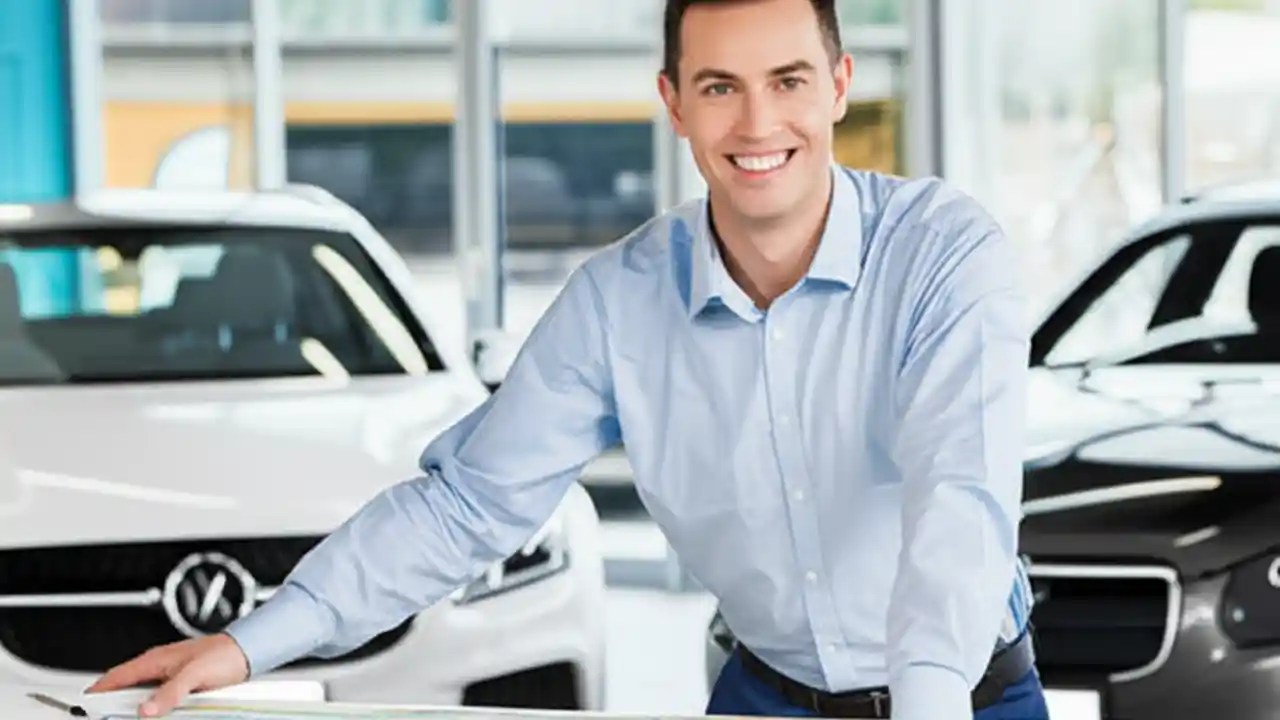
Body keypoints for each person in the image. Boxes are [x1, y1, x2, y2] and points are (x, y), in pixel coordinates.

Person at [88, 1, 1046, 718]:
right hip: (767, 695)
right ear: (674, 103)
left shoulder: (942, 253)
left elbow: (956, 506)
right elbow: (468, 505)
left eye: (788, 80)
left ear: (839, 84)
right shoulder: (619, 300)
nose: (758, 124)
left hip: (967, 694)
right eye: (720, 87)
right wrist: (254, 645)